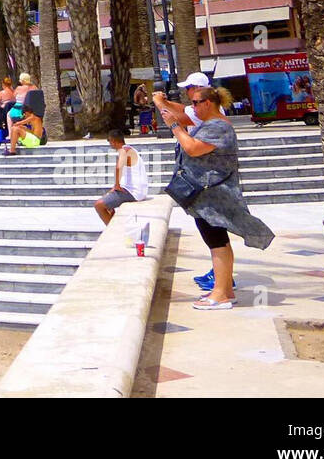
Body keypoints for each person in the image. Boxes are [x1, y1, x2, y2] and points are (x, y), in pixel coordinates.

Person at [169, 85, 274, 310]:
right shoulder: (214, 125)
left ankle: (220, 295)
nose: (193, 108)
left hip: (213, 196)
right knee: (218, 241)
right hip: (210, 195)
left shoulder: (218, 127)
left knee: (216, 242)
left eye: (196, 103)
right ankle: (225, 290)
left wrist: (175, 127)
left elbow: (193, 148)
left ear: (208, 103)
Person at [94, 130, 148, 224]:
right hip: (138, 191)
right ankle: (114, 226)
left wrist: (117, 185)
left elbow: (119, 167)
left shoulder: (123, 150)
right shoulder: (130, 149)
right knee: (108, 200)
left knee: (98, 205)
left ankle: (112, 232)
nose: (109, 143)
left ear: (113, 141)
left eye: (109, 141)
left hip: (133, 192)